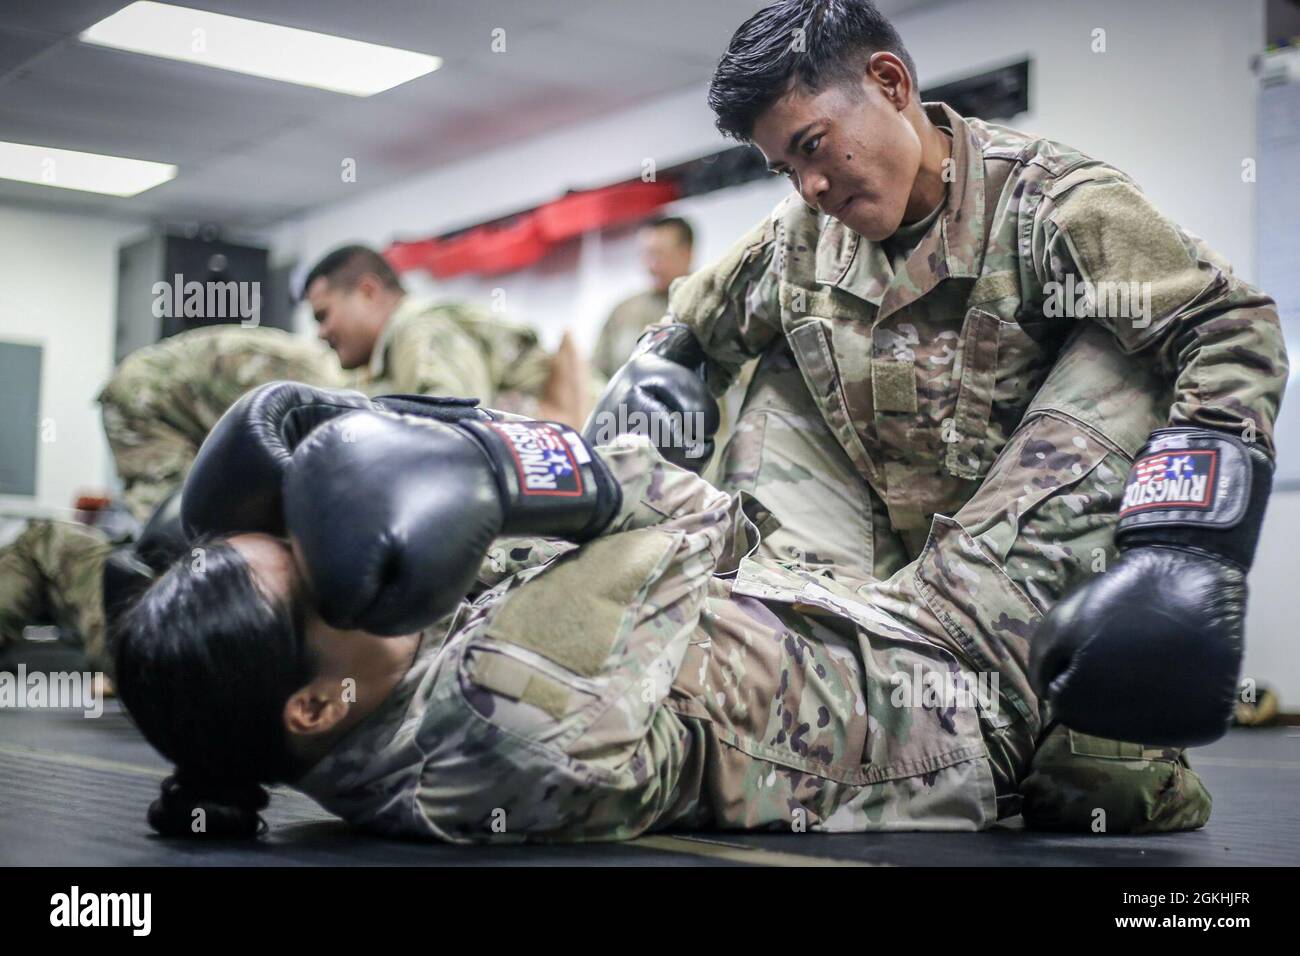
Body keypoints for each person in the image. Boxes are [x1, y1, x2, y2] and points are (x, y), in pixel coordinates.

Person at [586, 0, 1286, 823]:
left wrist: (1189, 546)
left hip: (1032, 570)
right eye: (786, 169)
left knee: (1099, 795)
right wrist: (657, 383)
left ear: (889, 82)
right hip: (873, 569)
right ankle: (872, 683)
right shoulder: (798, 239)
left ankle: (1002, 720)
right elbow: (688, 326)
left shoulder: (1053, 201)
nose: (811, 185)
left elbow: (1228, 324)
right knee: (751, 360)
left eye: (812, 146)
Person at [114, 382, 1234, 841]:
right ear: (313, 703)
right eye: (313, 573)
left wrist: (377, 420)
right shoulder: (499, 720)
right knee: (1119, 368)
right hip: (957, 688)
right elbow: (692, 516)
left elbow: (722, 539)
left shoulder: (372, 686)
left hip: (834, 609)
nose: (330, 546)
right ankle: (1092, 743)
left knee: (773, 335)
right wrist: (464, 445)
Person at [302, 243, 593, 428]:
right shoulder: (393, 350)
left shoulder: (419, 330)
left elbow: (459, 428)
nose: (321, 333)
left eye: (323, 316)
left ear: (368, 292)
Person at [99, 324, 345, 523]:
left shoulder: (327, 382)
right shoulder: (323, 387)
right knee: (174, 516)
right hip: (142, 396)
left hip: (178, 399)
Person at [591, 217, 696, 380]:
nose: (651, 266)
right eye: (647, 255)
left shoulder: (711, 308)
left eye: (660, 254)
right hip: (628, 405)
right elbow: (595, 374)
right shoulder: (624, 312)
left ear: (686, 254)